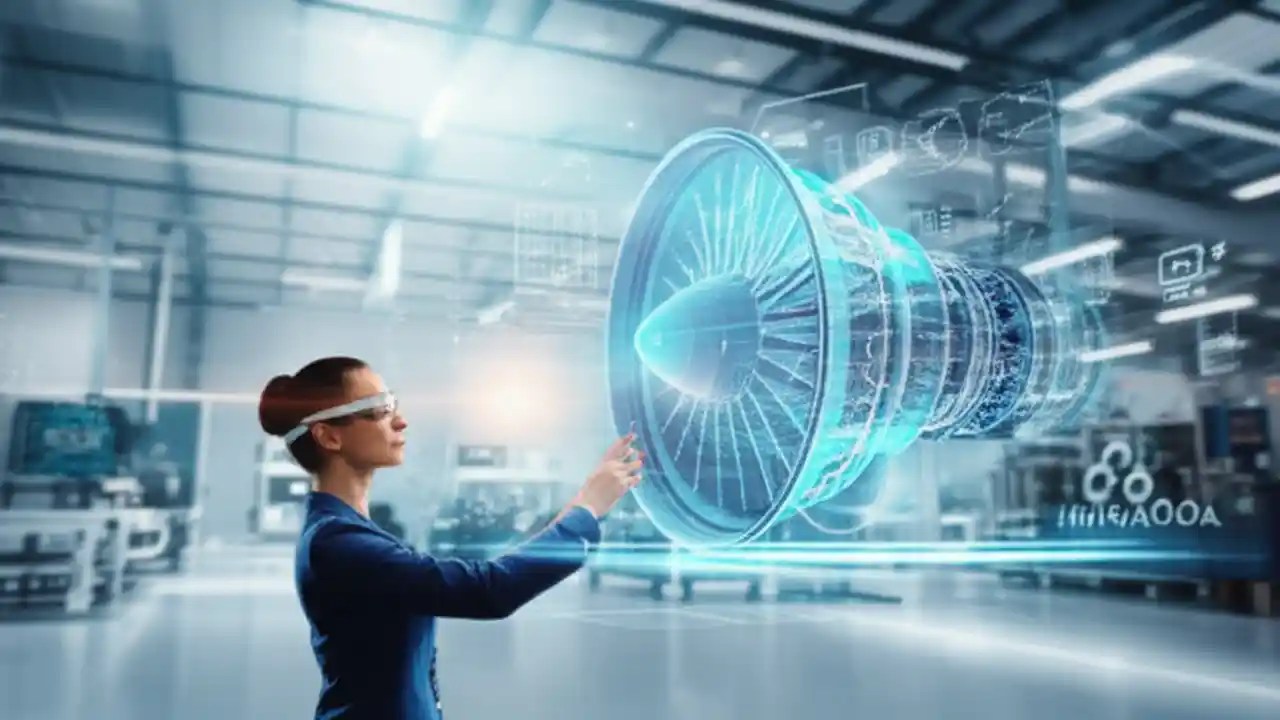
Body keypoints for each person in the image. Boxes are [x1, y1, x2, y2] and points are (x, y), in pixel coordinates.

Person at [257, 356, 643, 719]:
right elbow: (489, 590)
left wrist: (581, 503)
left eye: (394, 404)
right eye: (379, 408)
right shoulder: (340, 545)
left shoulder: (347, 533)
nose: (401, 421)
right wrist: (588, 508)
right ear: (329, 437)